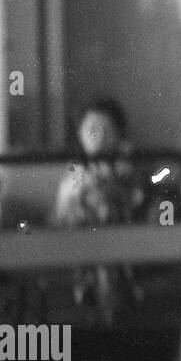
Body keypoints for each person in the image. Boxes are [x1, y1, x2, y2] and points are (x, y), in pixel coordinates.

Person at [52, 98, 145, 318]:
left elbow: (135, 196)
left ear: (118, 134)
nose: (100, 136)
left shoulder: (125, 166)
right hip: (83, 230)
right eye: (92, 129)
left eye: (107, 130)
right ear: (81, 133)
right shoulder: (76, 168)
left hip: (118, 231)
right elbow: (67, 205)